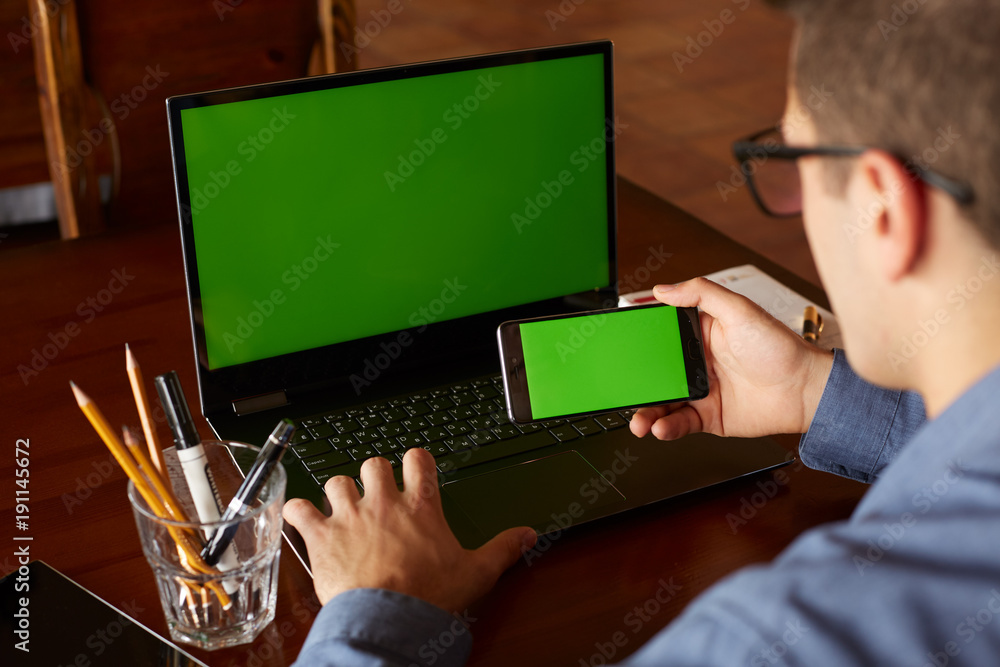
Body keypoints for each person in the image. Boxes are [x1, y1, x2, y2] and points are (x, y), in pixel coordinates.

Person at [285, 0, 1000, 664]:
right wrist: (812, 389)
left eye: (792, 162)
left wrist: (370, 611)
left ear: (883, 213)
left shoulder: (785, 640)